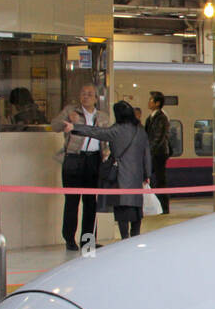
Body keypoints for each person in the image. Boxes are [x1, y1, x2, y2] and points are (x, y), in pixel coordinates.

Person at [64, 100, 151, 240]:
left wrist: (74, 127)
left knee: (122, 208)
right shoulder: (141, 131)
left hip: (121, 176)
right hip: (137, 177)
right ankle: (136, 237)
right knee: (136, 209)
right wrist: (147, 174)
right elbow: (147, 154)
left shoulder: (117, 130)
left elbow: (96, 132)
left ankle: (125, 239)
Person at [51, 84, 110, 251]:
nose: (86, 97)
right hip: (73, 159)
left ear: (96, 98)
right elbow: (54, 125)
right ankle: (69, 239)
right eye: (83, 93)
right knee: (72, 201)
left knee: (91, 202)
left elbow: (107, 137)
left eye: (90, 94)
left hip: (94, 160)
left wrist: (106, 153)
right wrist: (67, 121)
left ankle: (88, 240)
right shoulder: (71, 111)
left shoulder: (103, 116)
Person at [145, 91, 171, 214]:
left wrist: (149, 152)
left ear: (158, 103)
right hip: (153, 153)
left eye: (151, 100)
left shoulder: (161, 118)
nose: (149, 102)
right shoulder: (151, 117)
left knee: (160, 180)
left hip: (159, 154)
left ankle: (164, 207)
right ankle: (157, 205)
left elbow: (158, 138)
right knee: (155, 179)